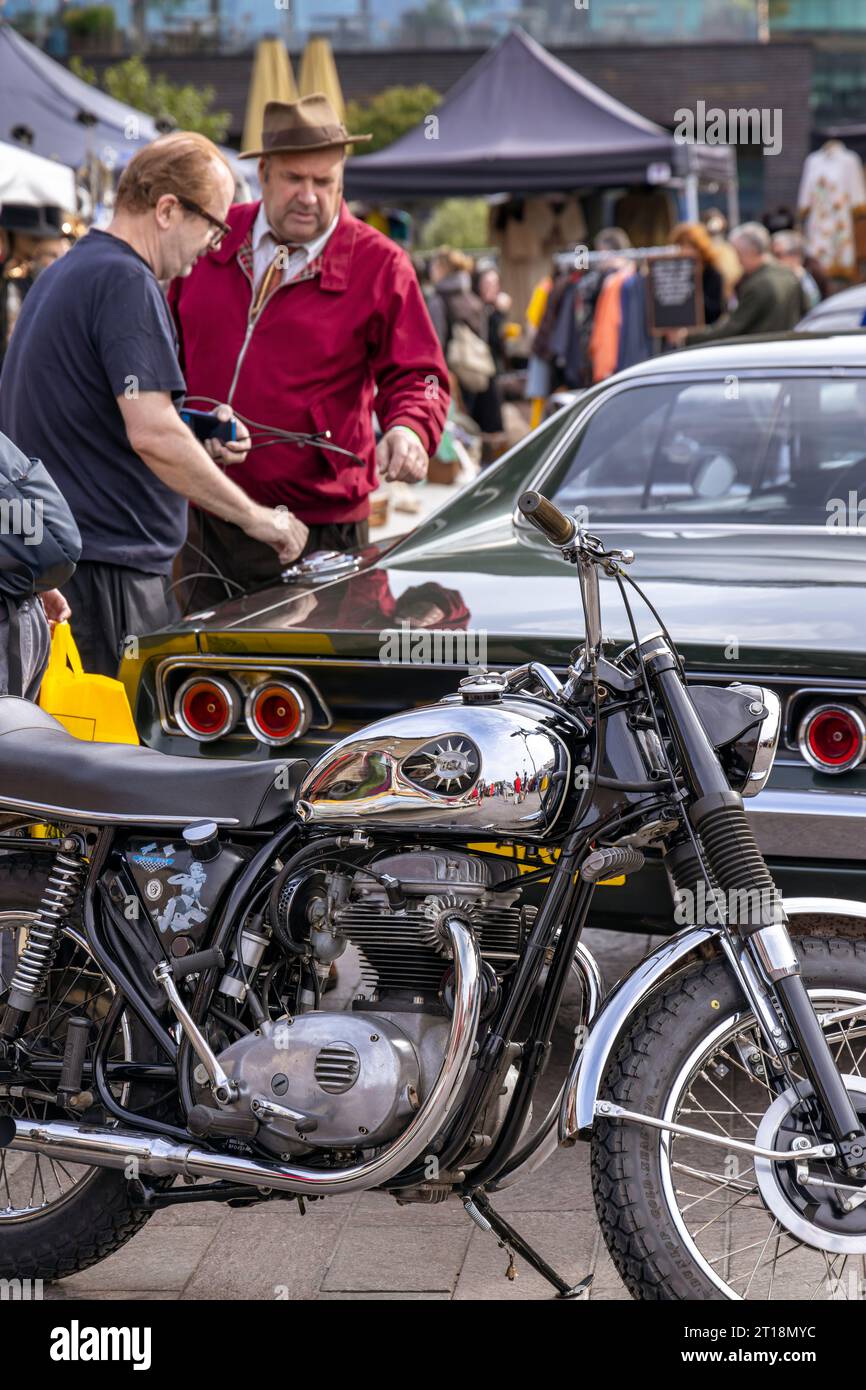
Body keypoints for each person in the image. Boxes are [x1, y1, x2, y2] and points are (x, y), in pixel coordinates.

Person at [0, 132, 301, 677]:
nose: (210, 249)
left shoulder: (69, 272)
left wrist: (197, 430)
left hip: (73, 569)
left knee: (75, 753)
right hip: (107, 576)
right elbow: (151, 432)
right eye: (213, 227)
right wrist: (260, 520)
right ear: (167, 210)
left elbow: (101, 412)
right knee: (119, 755)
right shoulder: (125, 281)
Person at [170, 95, 449, 612]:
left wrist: (410, 428)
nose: (309, 196)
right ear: (264, 172)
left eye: (324, 182)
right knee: (201, 675)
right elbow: (162, 351)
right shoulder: (210, 239)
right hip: (204, 513)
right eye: (295, 178)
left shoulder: (381, 263)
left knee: (316, 679)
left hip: (323, 528)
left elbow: (420, 374)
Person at [677, 222, 807, 347]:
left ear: (750, 252)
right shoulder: (787, 275)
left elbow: (732, 328)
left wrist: (688, 337)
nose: (738, 261)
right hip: (785, 350)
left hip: (762, 356)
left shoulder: (758, 284)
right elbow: (805, 311)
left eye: (739, 254)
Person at [0, 204, 71, 370]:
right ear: (12, 235)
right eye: (32, 238)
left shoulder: (33, 276)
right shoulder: (10, 275)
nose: (36, 246)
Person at [669, 221, 725, 324]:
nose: (684, 251)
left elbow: (714, 311)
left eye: (688, 246)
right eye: (680, 246)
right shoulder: (674, 273)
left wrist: (692, 287)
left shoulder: (713, 275)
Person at [771, 230, 822, 311]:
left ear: (795, 256)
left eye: (778, 255)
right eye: (773, 255)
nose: (774, 260)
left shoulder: (802, 279)